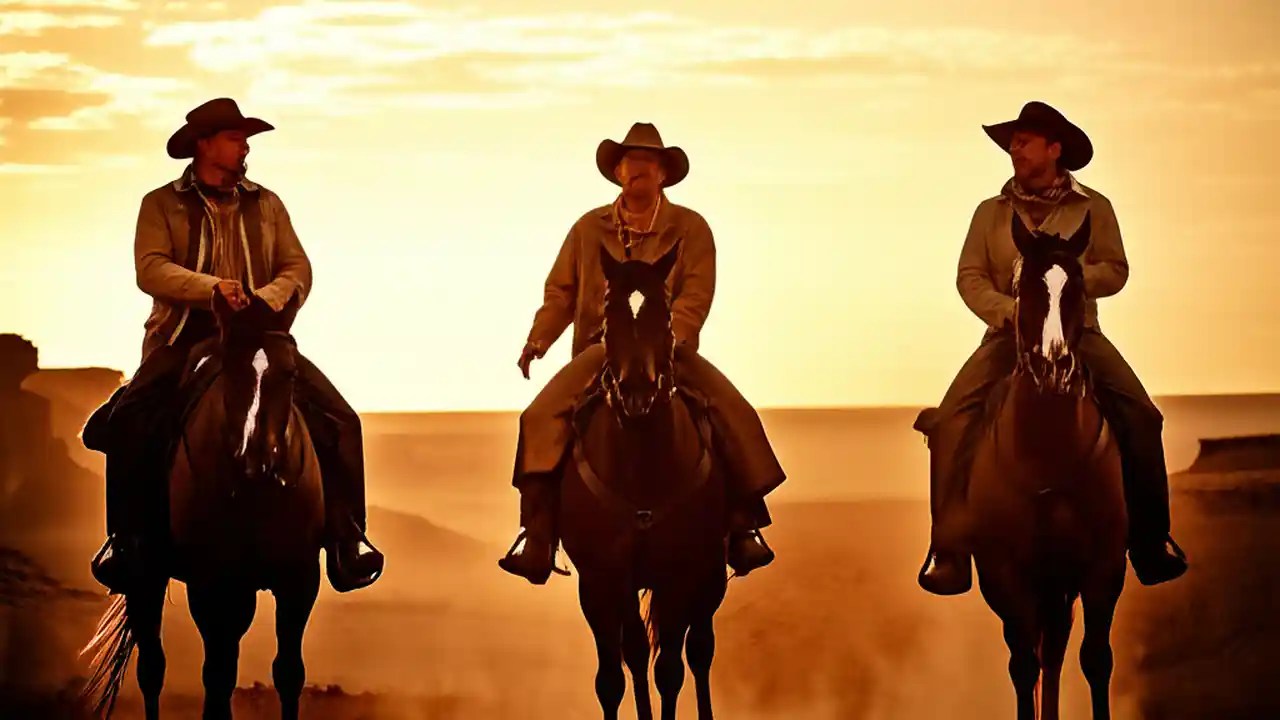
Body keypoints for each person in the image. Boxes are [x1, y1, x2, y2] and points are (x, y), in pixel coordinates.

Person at [88, 97, 383, 594]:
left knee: (340, 419)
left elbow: (297, 266)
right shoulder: (160, 203)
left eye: (245, 139)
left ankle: (346, 537)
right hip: (184, 337)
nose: (245, 146)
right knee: (128, 421)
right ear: (204, 145)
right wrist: (211, 288)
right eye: (235, 138)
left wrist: (266, 300)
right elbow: (151, 267)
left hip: (260, 336)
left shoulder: (267, 203)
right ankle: (126, 540)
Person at [916, 101, 1188, 596]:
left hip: (1079, 334)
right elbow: (969, 276)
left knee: (1143, 415)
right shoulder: (990, 213)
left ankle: (1151, 539)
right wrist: (1008, 311)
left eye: (1022, 141)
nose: (1014, 150)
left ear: (1053, 148)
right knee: (951, 417)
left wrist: (1076, 279)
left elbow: (1116, 268)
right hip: (1008, 338)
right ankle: (948, 549)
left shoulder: (1094, 207)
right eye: (1013, 144)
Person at [498, 122, 786, 584]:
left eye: (649, 164)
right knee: (538, 417)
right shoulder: (587, 230)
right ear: (616, 171)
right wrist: (539, 339)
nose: (639, 171)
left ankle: (742, 522)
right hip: (601, 349)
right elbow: (562, 292)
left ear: (663, 175)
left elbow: (696, 292)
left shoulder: (690, 228)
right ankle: (536, 534)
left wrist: (676, 339)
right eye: (630, 163)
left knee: (733, 410)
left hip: (668, 347)